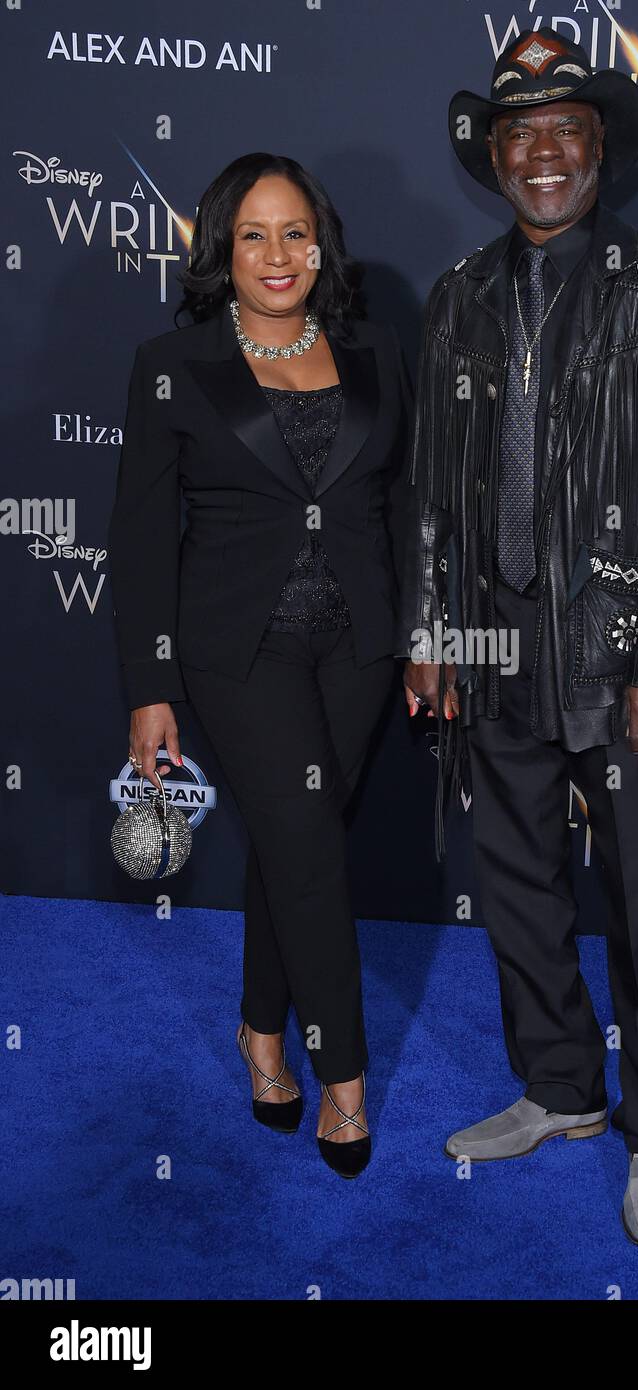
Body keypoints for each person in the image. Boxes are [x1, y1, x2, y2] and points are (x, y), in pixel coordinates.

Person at [401, 28, 638, 1245]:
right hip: (492, 646)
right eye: (518, 134)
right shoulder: (458, 298)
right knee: (521, 888)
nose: (542, 154)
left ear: (601, 148)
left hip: (613, 650)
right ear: (494, 156)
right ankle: (559, 1088)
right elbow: (435, 488)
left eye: (565, 131)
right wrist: (431, 628)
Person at [108, 153, 412, 1179]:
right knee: (309, 848)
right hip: (238, 651)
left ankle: (260, 1032)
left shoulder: (376, 352)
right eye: (252, 235)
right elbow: (143, 533)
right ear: (221, 252)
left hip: (358, 647)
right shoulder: (171, 361)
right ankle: (346, 1080)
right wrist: (150, 686)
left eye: (293, 233)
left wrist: (425, 635)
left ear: (320, 244)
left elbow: (406, 511)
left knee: (300, 845)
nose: (276, 255)